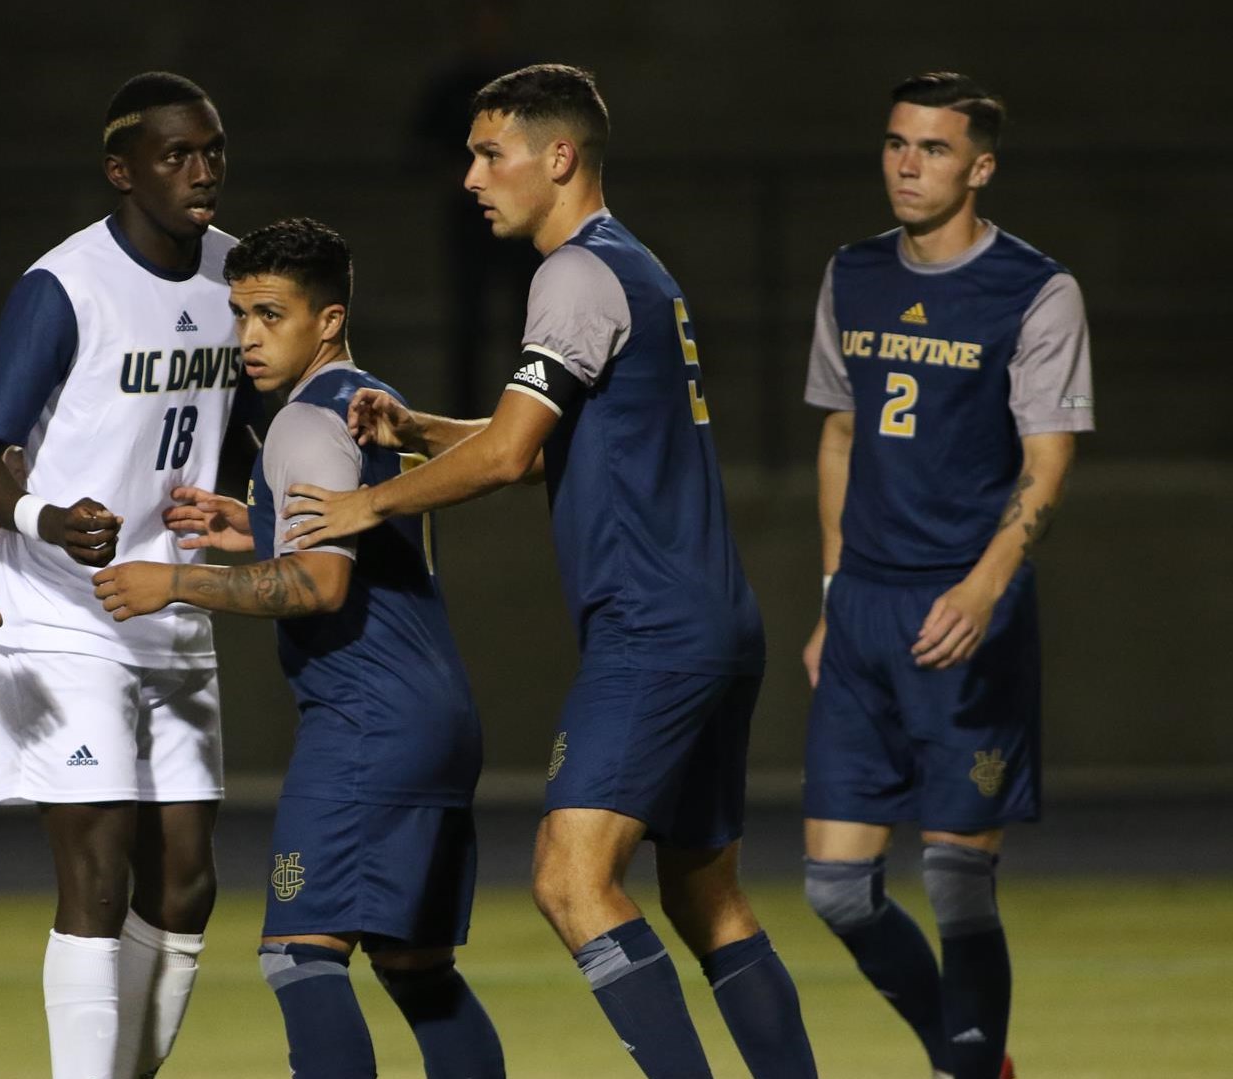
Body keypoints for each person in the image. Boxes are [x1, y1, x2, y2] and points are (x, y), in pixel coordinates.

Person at [284, 64, 816, 1077]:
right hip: (712, 618)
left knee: (571, 879)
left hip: (653, 629)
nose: (472, 176)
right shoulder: (637, 268)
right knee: (707, 899)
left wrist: (368, 500)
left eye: (492, 154)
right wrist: (419, 428)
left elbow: (516, 454)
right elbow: (554, 430)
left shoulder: (569, 273)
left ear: (558, 157)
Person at [92, 218, 506, 1079]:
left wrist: (172, 583)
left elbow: (319, 586)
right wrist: (256, 523)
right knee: (415, 968)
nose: (247, 337)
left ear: (327, 319)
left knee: (299, 954)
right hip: (438, 712)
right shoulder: (372, 403)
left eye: (270, 315)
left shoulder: (302, 426)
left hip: (366, 722)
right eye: (239, 314)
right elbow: (347, 546)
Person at [0, 72, 258, 1079]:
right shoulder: (66, 284)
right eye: (177, 154)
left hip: (171, 603)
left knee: (188, 884)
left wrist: (245, 499)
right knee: (97, 869)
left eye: (212, 150)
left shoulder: (237, 274)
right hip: (62, 608)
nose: (201, 171)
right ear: (122, 171)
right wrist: (45, 517)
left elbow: (247, 422)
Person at [799, 72, 1095, 1079]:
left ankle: (966, 1071)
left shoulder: (1036, 289)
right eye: (895, 143)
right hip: (865, 612)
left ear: (981, 166)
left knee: (957, 879)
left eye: (931, 148)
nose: (907, 164)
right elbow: (839, 434)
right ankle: (971, 1059)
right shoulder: (852, 274)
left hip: (965, 607)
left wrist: (983, 587)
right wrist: (834, 591)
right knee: (836, 888)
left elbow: (1047, 461)